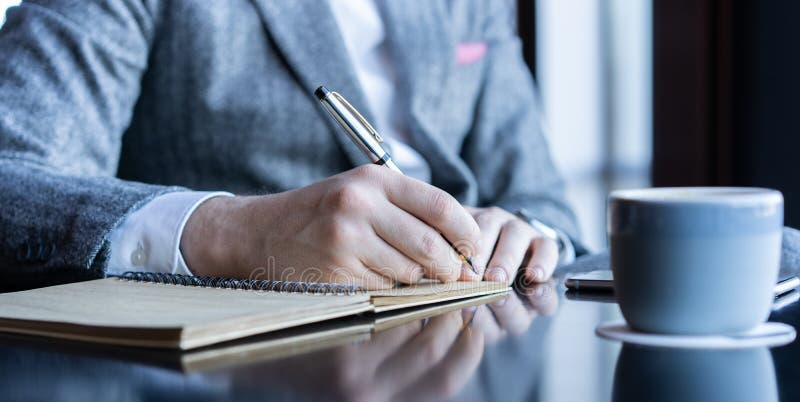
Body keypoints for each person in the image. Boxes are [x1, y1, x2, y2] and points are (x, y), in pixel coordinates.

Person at [0, 0, 581, 291]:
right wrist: (231, 233)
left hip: (471, 343)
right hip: (222, 398)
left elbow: (548, 208)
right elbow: (12, 177)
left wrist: (530, 238)